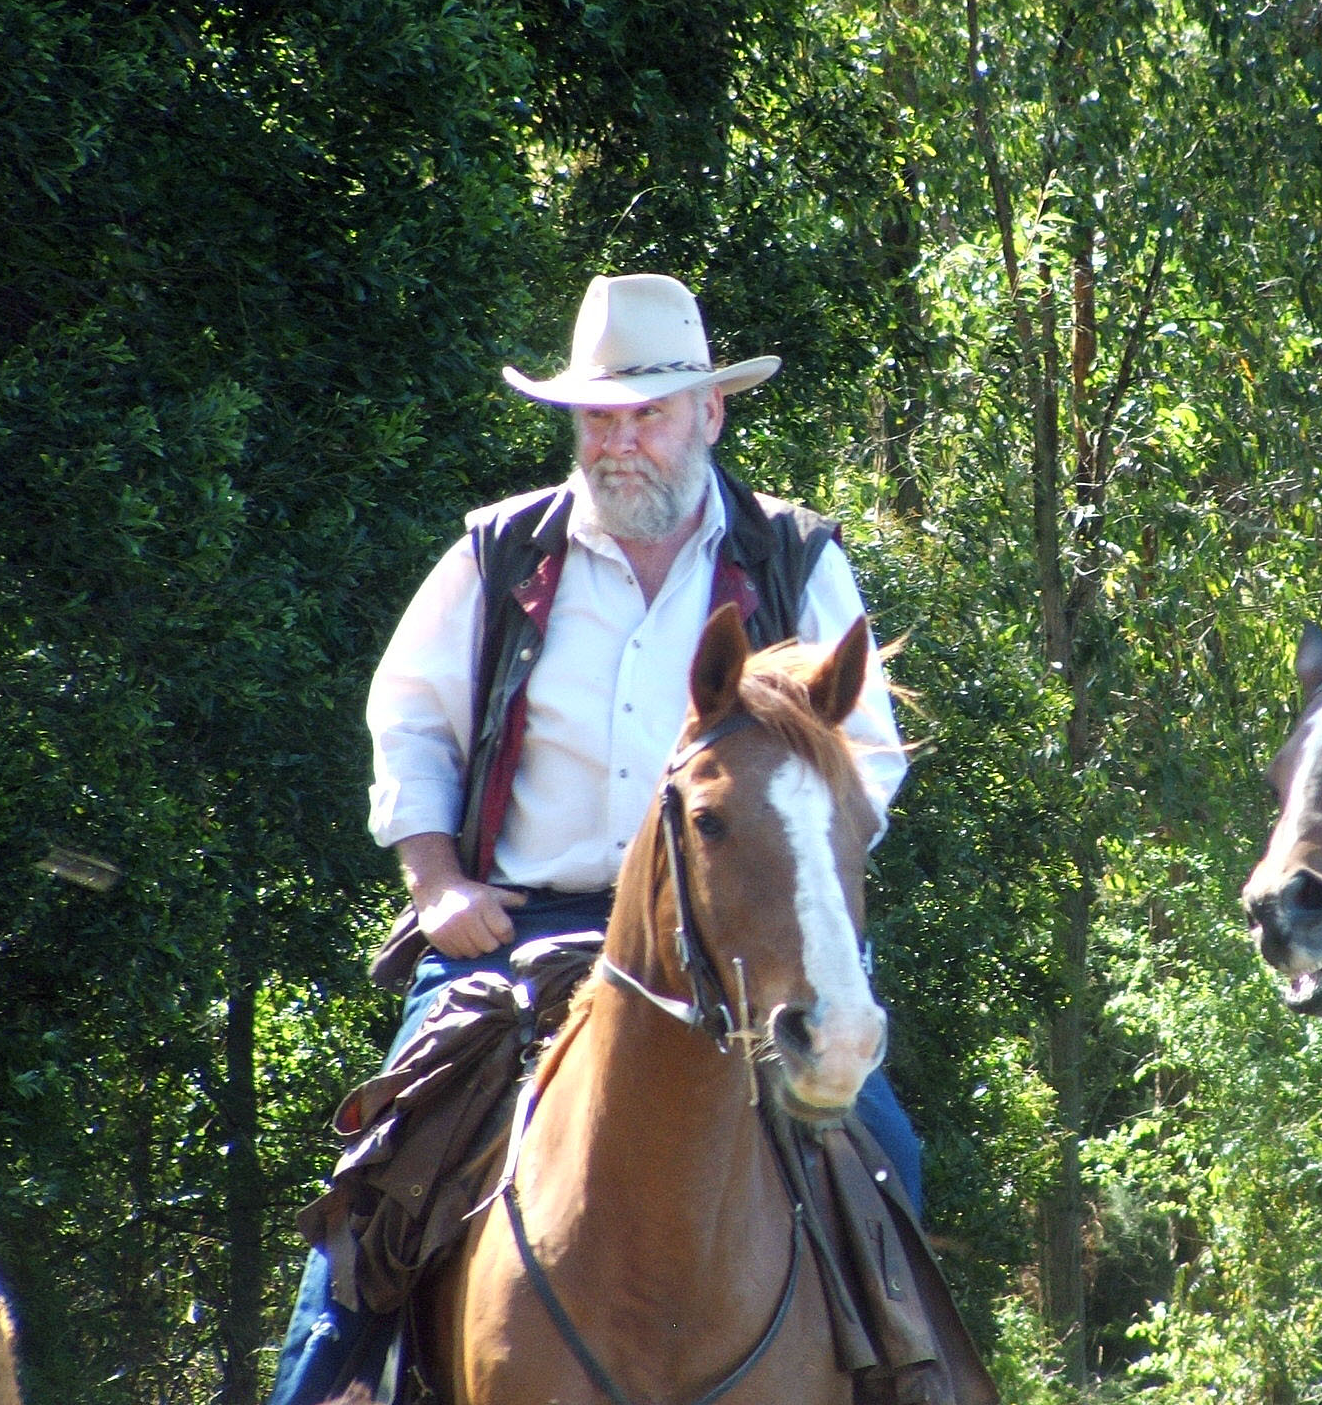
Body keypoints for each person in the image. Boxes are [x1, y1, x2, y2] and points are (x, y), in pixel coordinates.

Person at [266, 273, 919, 1405]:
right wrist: (435, 887)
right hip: (518, 929)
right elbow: (409, 724)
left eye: (649, 411)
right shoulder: (500, 556)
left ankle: (913, 1379)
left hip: (741, 934)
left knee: (888, 1158)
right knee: (380, 1179)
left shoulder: (793, 563)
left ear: (709, 414)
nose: (621, 440)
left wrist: (791, 904)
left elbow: (868, 762)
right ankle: (321, 1389)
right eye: (598, 415)